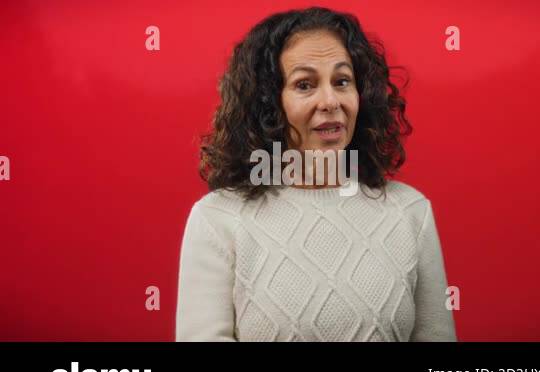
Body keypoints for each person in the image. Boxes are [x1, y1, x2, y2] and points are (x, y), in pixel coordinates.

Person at [175, 6, 457, 342]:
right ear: (268, 105)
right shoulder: (218, 219)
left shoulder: (410, 213)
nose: (330, 101)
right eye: (305, 84)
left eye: (342, 81)